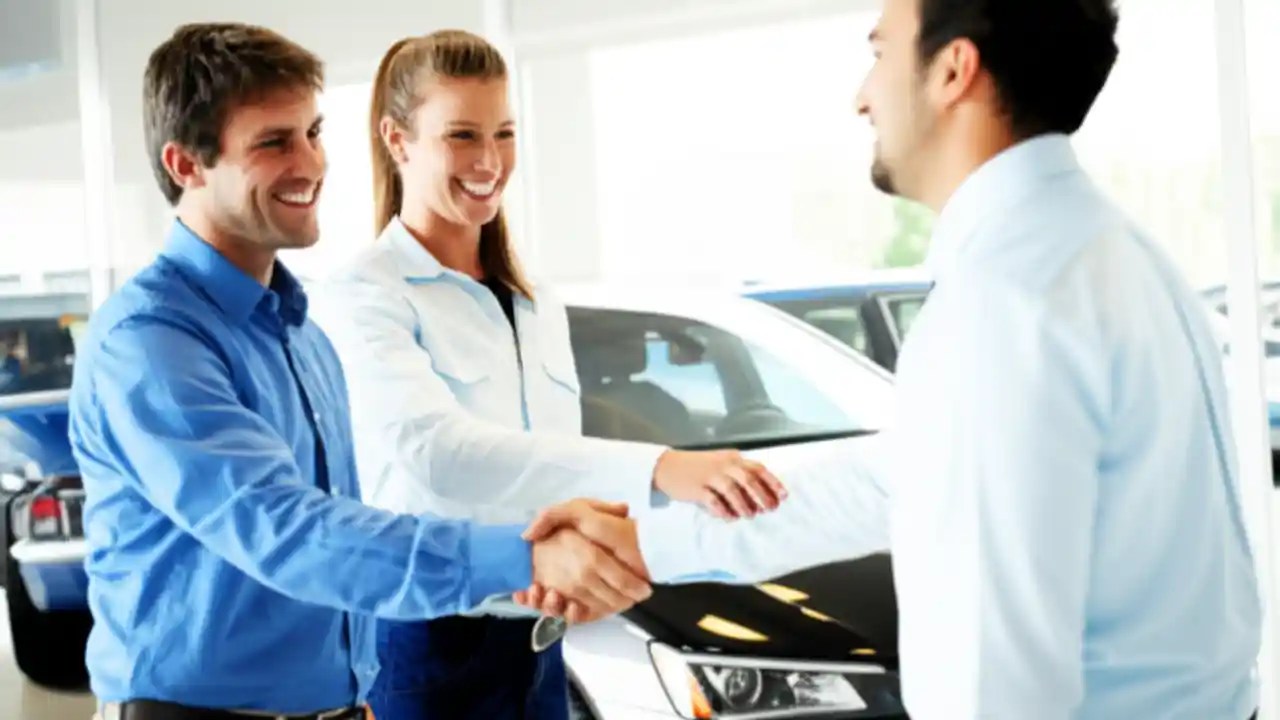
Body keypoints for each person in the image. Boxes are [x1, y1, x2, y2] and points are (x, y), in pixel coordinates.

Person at [518, 1, 1264, 718]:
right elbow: (892, 481)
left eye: (880, 53)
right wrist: (646, 544)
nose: (862, 97)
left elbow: (997, 680)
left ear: (952, 72)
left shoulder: (1003, 304)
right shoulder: (1115, 256)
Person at [68, 23, 652, 720]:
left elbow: (345, 530)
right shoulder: (151, 343)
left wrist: (355, 688)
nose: (310, 164)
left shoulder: (301, 333)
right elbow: (287, 531)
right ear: (187, 164)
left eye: (313, 133)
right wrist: (527, 558)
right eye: (273, 143)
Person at [306, 29, 788, 720]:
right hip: (427, 645)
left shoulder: (533, 299)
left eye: (504, 133)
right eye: (463, 136)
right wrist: (662, 467)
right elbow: (437, 454)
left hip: (540, 638)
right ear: (398, 139)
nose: (490, 161)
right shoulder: (364, 293)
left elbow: (552, 469)